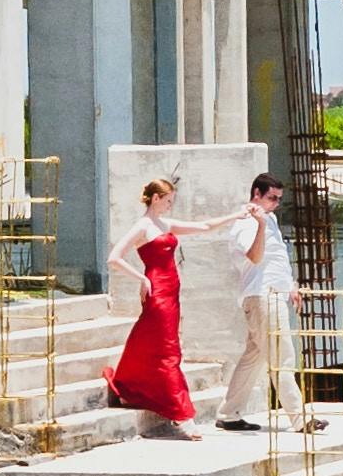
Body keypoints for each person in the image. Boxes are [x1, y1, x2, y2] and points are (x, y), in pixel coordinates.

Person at [100, 174, 222, 435]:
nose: (170, 205)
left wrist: (237, 216)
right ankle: (182, 415)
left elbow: (204, 227)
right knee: (167, 350)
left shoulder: (165, 223)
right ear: (155, 199)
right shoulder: (143, 226)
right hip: (157, 291)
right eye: (167, 200)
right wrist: (142, 277)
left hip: (172, 290)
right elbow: (114, 258)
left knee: (154, 343)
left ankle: (129, 386)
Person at [216, 170, 305, 430]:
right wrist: (261, 225)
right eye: (272, 198)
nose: (275, 203)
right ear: (257, 194)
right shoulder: (246, 222)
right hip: (261, 295)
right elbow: (254, 257)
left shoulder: (271, 219)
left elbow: (276, 259)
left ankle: (229, 412)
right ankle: (298, 418)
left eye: (278, 199)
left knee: (254, 356)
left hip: (274, 293)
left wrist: (290, 285)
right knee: (282, 356)